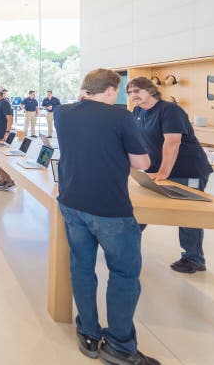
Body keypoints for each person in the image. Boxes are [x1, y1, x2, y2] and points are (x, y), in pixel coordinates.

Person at [55, 69, 159, 365]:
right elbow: (141, 162)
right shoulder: (120, 117)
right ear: (112, 91)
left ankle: (88, 333)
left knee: (82, 267)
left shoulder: (63, 113)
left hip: (72, 202)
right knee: (124, 274)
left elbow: (78, 107)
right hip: (110, 208)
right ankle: (120, 345)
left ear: (85, 89)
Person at [127, 76, 213, 274]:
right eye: (130, 92)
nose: (133, 96)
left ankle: (194, 259)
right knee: (142, 208)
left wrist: (164, 172)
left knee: (188, 214)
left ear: (150, 91)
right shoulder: (138, 112)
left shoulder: (170, 110)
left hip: (188, 171)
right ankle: (126, 247)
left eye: (137, 91)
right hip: (156, 171)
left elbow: (172, 142)